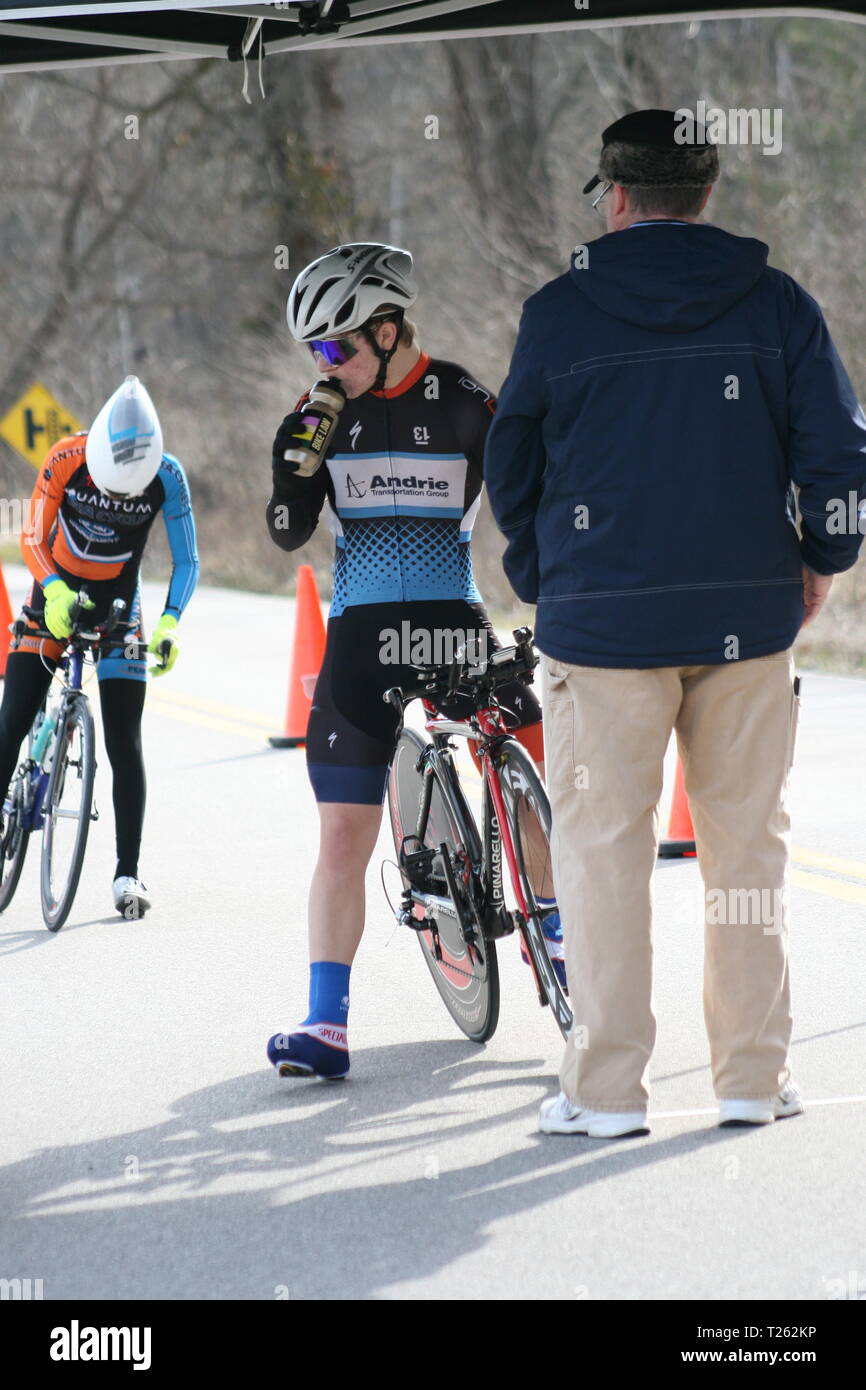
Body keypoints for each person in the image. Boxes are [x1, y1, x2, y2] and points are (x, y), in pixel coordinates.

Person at [484, 110, 866, 1138]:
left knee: (604, 853)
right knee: (745, 851)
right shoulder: (777, 307)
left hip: (597, 627)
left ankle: (605, 1094)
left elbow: (508, 466)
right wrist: (819, 564)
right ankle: (748, 1080)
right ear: (701, 195)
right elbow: (837, 457)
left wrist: (540, 573)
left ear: (614, 197)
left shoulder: (558, 314)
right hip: (747, 615)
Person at [265, 241, 551, 1081]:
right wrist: (295, 468)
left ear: (387, 330)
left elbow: (535, 488)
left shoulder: (463, 399)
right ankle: (325, 1025)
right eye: (315, 352)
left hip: (452, 624)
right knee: (344, 836)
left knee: (537, 774)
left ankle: (561, 942)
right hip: (359, 637)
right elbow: (286, 532)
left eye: (336, 347)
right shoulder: (317, 415)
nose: (326, 365)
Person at [0, 375, 199, 916]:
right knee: (11, 720)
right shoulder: (66, 456)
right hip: (54, 595)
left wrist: (170, 624)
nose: (116, 498)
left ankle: (127, 874)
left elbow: (188, 561)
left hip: (121, 610)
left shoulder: (167, 476)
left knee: (125, 743)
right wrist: (56, 590)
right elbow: (32, 538)